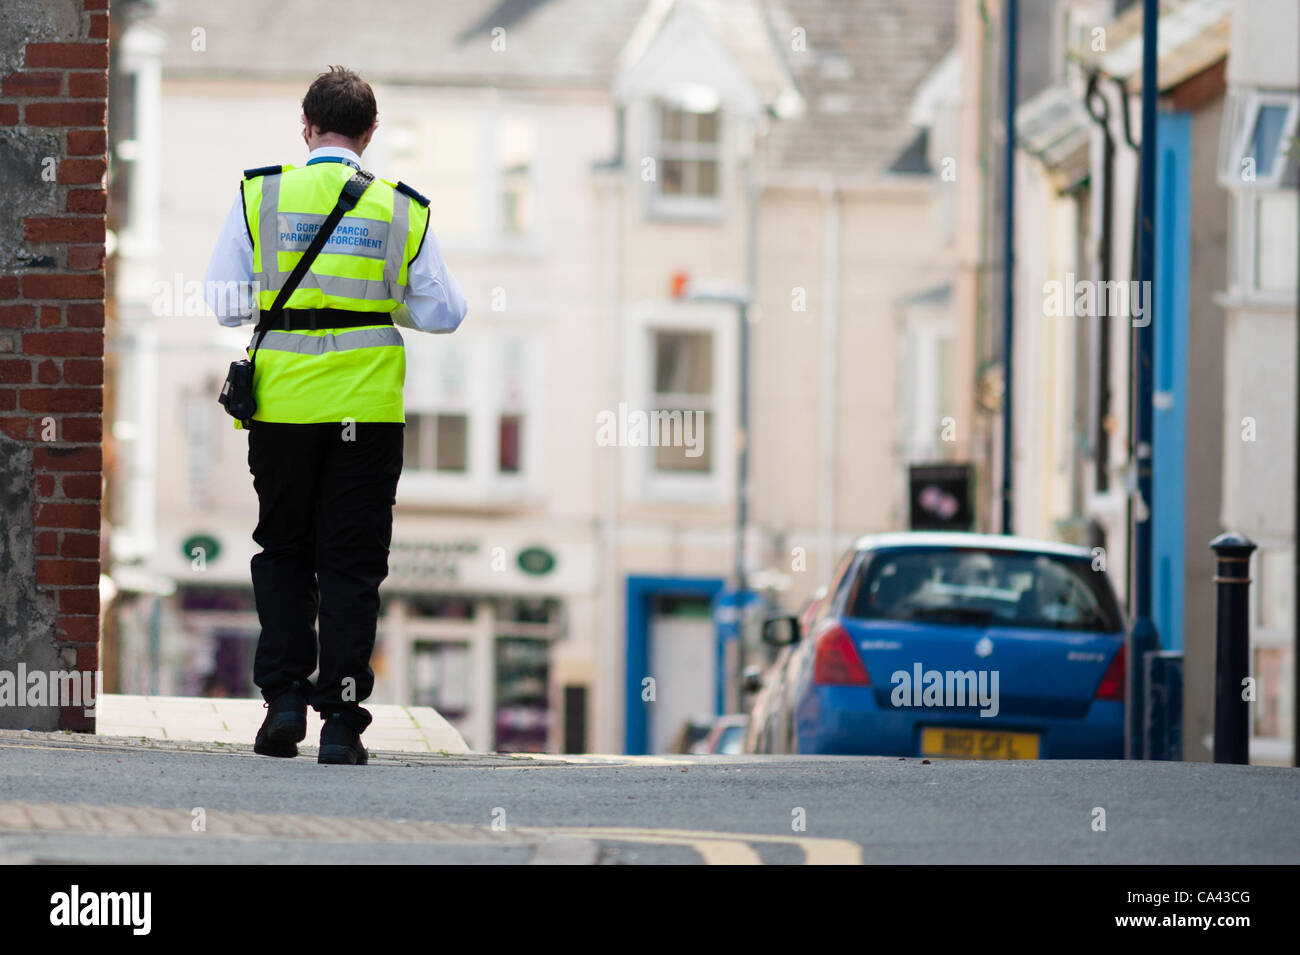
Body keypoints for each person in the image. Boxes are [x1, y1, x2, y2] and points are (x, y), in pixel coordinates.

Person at [204, 66, 468, 764]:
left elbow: (228, 301)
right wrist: (385, 300)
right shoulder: (400, 208)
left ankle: (284, 700)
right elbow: (445, 311)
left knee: (285, 551)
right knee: (352, 566)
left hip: (285, 412)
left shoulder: (261, 193)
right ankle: (343, 725)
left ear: (306, 125)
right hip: (367, 413)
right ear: (370, 133)